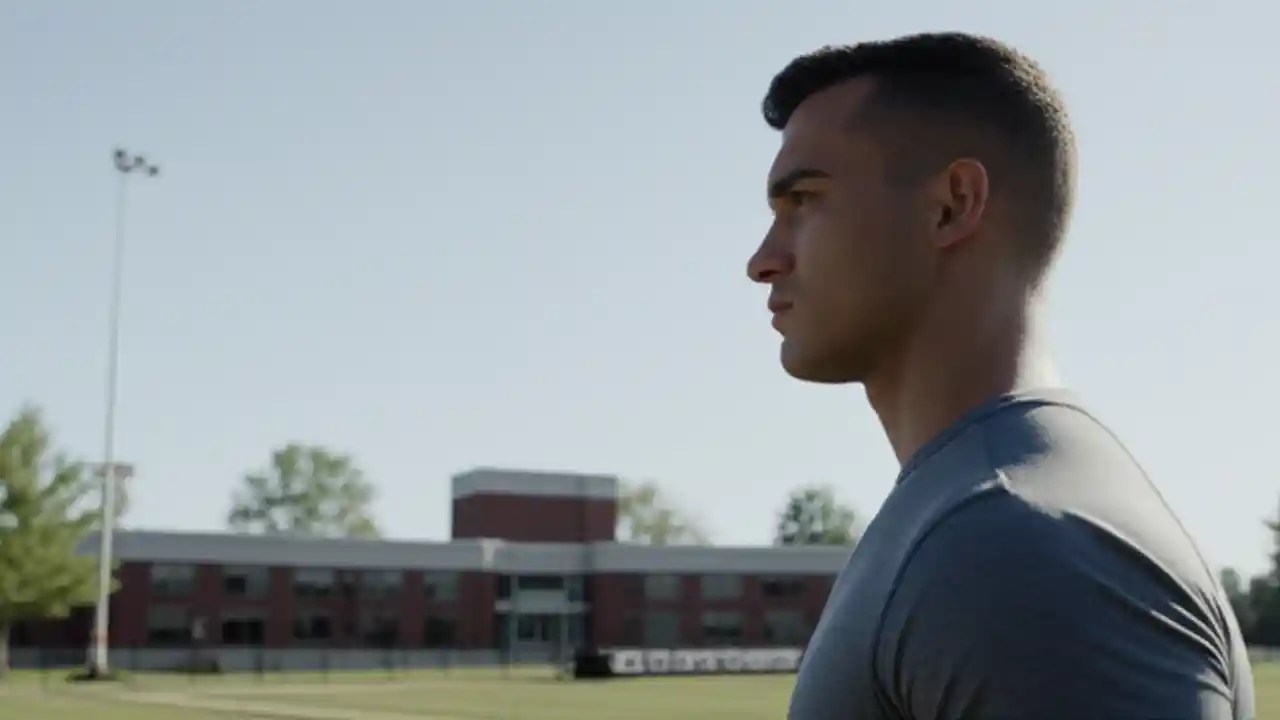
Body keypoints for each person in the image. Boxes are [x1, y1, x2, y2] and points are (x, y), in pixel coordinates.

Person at [747, 32, 1254, 719]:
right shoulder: (981, 511)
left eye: (803, 200)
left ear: (953, 204)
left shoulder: (1014, 546)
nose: (764, 259)